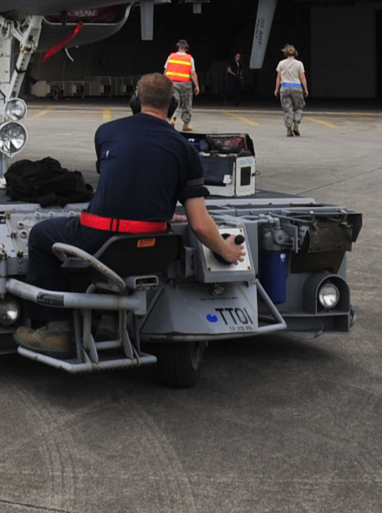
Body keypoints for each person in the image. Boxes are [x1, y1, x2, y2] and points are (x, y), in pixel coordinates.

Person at [14, 73, 246, 357]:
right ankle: (110, 320)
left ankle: (55, 330)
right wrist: (225, 249)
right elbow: (198, 222)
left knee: (40, 236)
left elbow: (123, 181)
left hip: (100, 239)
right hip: (152, 248)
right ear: (172, 105)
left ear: (135, 100)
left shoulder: (106, 132)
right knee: (126, 255)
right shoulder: (186, 151)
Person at [274, 44, 308, 136]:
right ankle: (296, 125)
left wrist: (276, 89)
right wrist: (306, 89)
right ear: (295, 53)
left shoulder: (281, 63)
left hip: (285, 87)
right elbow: (302, 77)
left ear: (285, 53)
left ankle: (289, 129)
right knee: (298, 107)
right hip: (296, 87)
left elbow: (279, 78)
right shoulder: (299, 64)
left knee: (287, 108)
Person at [164, 39, 199, 128]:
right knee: (187, 103)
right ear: (186, 48)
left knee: (174, 101)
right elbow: (193, 73)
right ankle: (186, 124)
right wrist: (197, 86)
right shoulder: (190, 58)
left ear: (177, 47)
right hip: (185, 84)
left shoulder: (171, 56)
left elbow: (166, 70)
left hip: (172, 83)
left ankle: (172, 118)